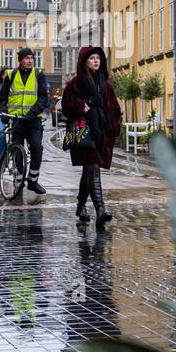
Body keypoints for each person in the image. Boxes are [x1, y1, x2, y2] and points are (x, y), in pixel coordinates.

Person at [61, 45, 121, 227]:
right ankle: (100, 210)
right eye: (92, 58)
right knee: (93, 167)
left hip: (101, 133)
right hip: (83, 133)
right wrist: (85, 104)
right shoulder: (75, 84)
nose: (96, 61)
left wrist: (115, 126)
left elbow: (115, 107)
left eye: (98, 58)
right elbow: (66, 106)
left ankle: (80, 206)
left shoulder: (105, 83)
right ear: (84, 62)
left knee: (89, 170)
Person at [7, 48, 49, 194]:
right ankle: (18, 182)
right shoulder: (11, 75)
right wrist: (5, 113)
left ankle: (33, 180)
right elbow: (2, 98)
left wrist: (32, 114)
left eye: (32, 58)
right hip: (17, 120)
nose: (30, 60)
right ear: (20, 60)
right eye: (27, 58)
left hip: (33, 120)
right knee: (17, 151)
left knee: (37, 147)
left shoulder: (39, 74)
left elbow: (44, 98)